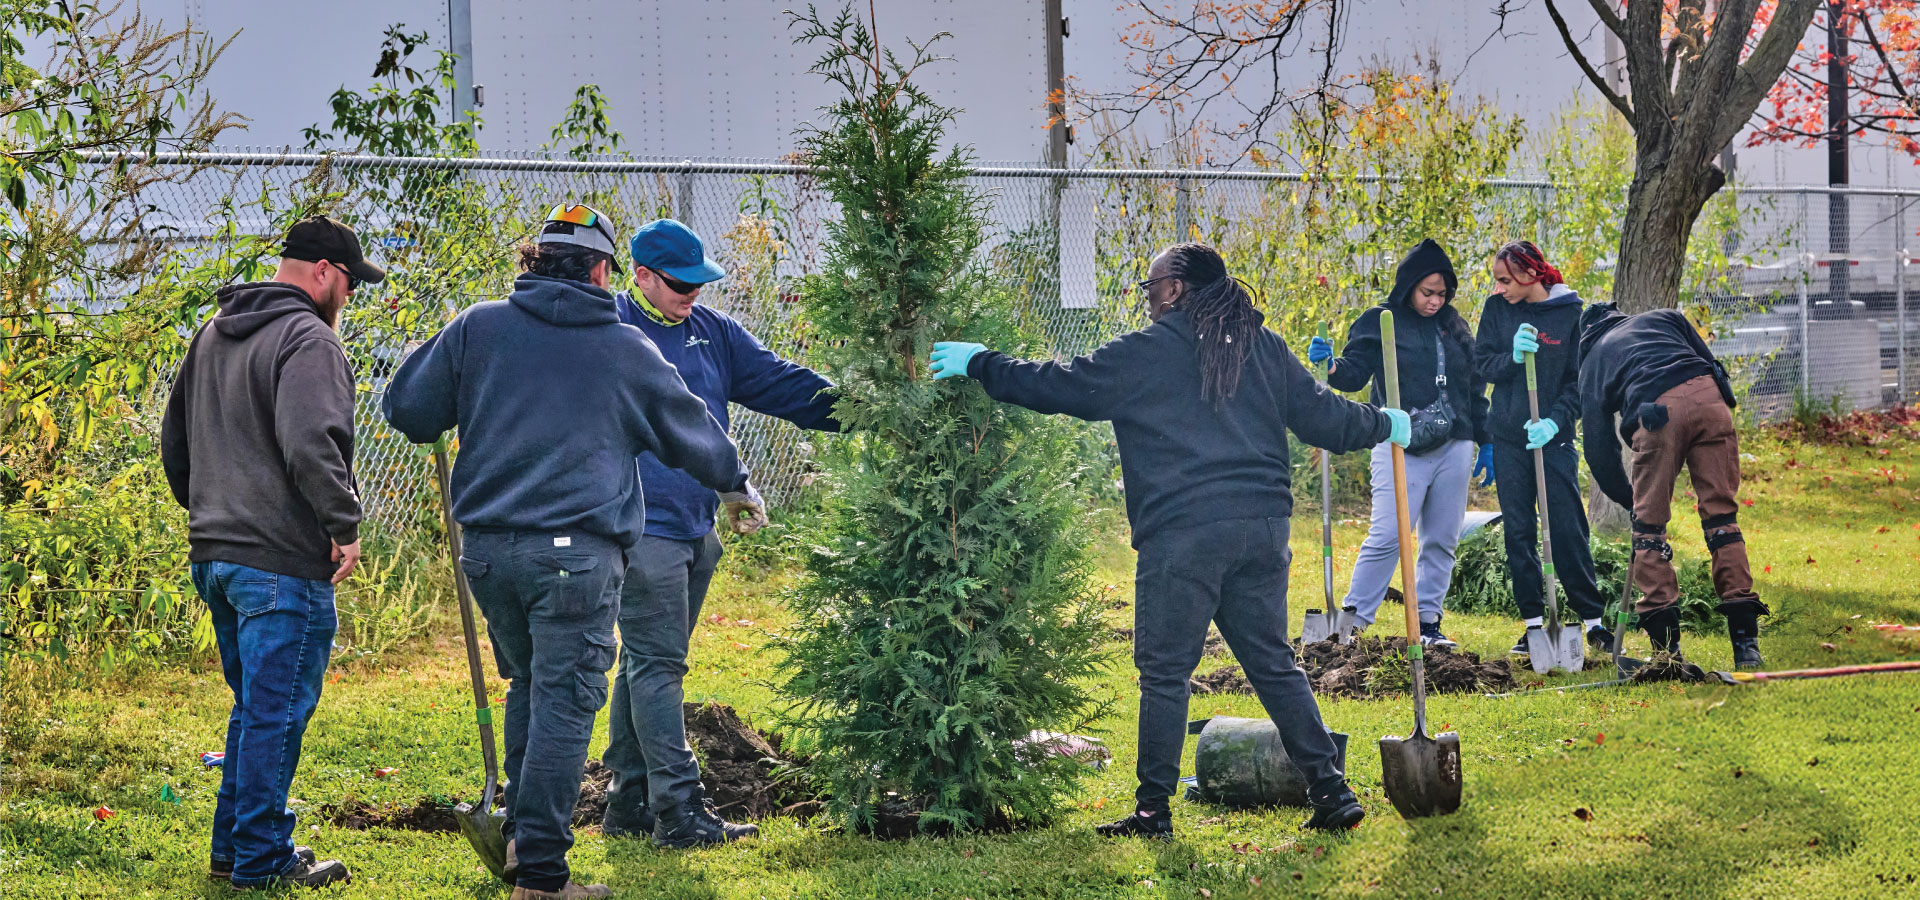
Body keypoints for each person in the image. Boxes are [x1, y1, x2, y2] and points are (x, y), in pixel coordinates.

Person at [927, 242, 1410, 838]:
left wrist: (983, 364)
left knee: (1164, 673)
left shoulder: (1150, 351)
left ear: (1177, 288)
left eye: (1152, 286)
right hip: (1263, 529)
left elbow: (1066, 386)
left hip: (1185, 535)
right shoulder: (1262, 346)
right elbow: (1326, 419)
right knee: (1271, 663)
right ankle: (1332, 792)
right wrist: (1386, 422)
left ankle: (1153, 813)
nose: (1148, 298)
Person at [383, 204, 751, 900]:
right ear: (603, 270)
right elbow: (693, 436)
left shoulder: (478, 327)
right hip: (574, 561)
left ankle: (523, 838)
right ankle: (544, 877)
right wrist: (734, 482)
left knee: (530, 685)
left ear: (534, 260)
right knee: (563, 700)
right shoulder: (623, 349)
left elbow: (406, 410)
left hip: (488, 554)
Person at [598, 219, 842, 848]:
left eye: (700, 282)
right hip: (637, 525)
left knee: (646, 663)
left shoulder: (713, 333)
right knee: (659, 664)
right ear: (642, 276)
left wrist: (862, 408)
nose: (692, 294)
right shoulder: (613, 333)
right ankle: (679, 813)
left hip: (695, 527)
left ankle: (627, 802)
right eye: (680, 284)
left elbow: (784, 384)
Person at [160, 215, 383, 890]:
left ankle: (233, 851)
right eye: (348, 284)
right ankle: (261, 858)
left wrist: (214, 517)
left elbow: (176, 447)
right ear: (322, 272)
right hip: (281, 562)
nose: (349, 298)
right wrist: (344, 524)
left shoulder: (213, 332)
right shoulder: (307, 338)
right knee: (276, 711)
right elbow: (312, 442)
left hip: (217, 554)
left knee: (255, 706)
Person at [1308, 238, 1491, 647]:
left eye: (1443, 294)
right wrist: (1331, 364)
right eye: (1428, 292)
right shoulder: (1381, 320)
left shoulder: (1454, 326)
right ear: (1409, 285)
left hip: (1455, 444)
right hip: (1396, 441)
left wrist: (1486, 438)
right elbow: (1353, 375)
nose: (1435, 301)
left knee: (1442, 538)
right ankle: (1352, 621)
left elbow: (1473, 387)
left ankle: (1429, 624)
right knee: (1390, 533)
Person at [1577, 302, 1766, 668]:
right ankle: (1746, 646)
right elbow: (1713, 365)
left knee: (1649, 531)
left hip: (1657, 412)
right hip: (1711, 403)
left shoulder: (1593, 358)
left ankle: (1667, 652)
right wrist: (1722, 408)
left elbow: (1597, 449)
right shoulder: (1665, 318)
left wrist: (1631, 502)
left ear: (1586, 337)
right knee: (1722, 519)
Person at [1473, 240, 1610, 655]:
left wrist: (1554, 422)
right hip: (1511, 439)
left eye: (1504, 280)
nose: (1498, 289)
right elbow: (1481, 364)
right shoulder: (1497, 310)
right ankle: (1533, 623)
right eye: (1496, 281)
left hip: (1554, 438)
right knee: (1518, 531)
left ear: (1531, 274)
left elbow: (1578, 382)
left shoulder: (1570, 314)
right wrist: (1512, 357)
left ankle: (1593, 622)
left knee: (1567, 528)